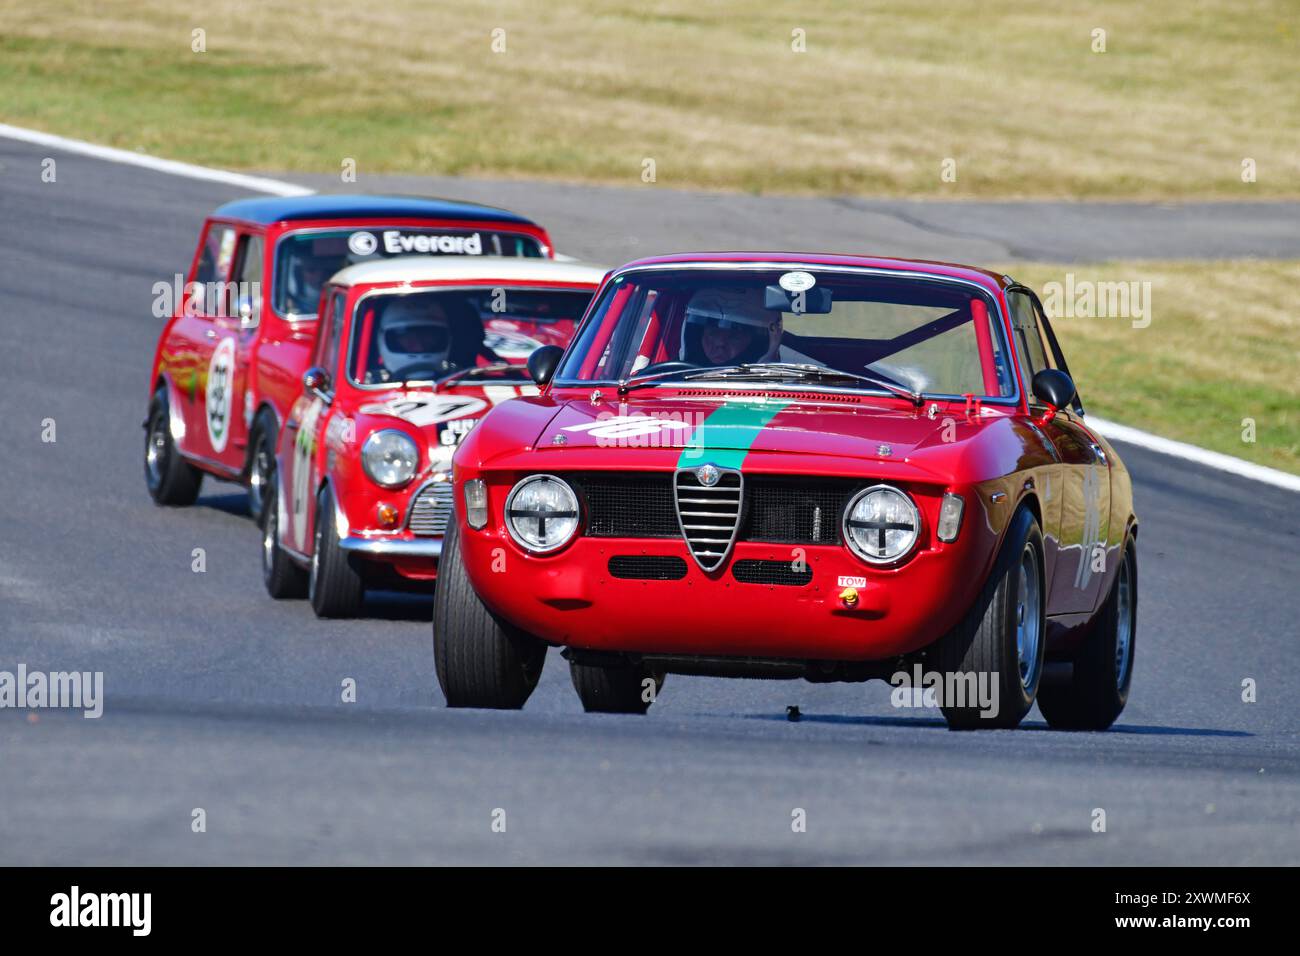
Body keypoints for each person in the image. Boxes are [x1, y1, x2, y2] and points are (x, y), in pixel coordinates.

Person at [679, 287, 783, 366]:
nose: (720, 343)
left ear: (757, 343)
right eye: (713, 334)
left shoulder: (785, 384)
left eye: (734, 337)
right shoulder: (669, 376)